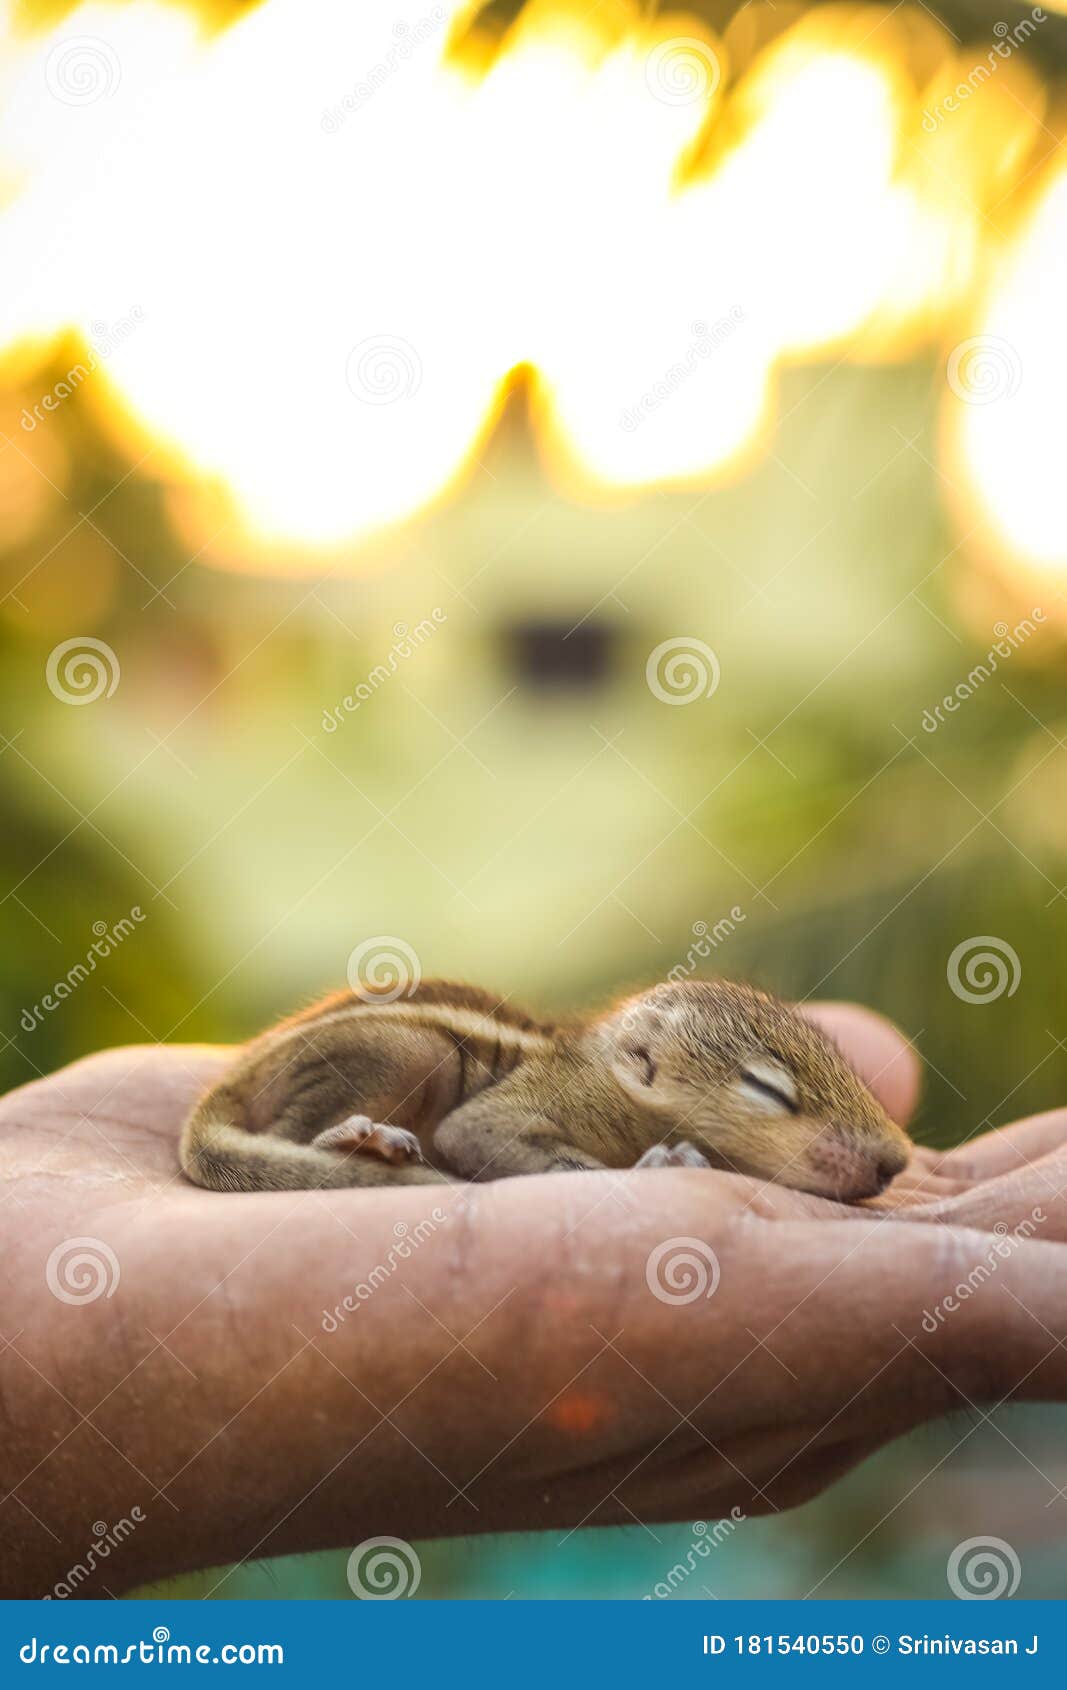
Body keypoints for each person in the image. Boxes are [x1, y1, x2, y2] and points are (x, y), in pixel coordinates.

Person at [3, 1002, 1065, 1598]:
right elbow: (475, 1139)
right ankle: (316, 1149)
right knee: (407, 1053)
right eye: (773, 1103)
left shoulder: (636, 1110)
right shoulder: (566, 1090)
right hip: (319, 1088)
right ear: (641, 1063)